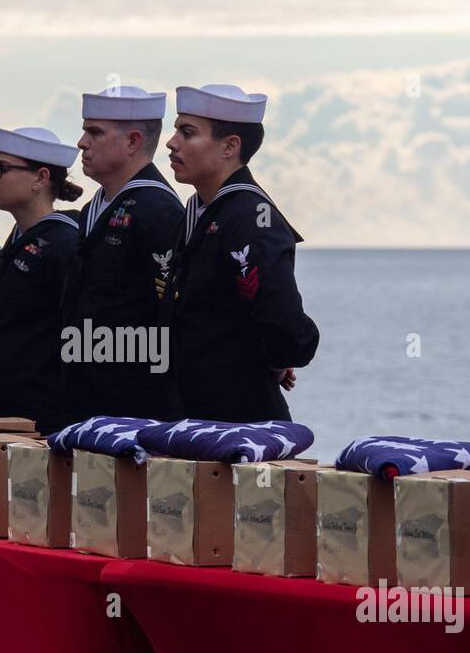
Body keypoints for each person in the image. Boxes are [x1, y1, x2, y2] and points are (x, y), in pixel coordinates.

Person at [161, 83, 319, 422]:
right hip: (192, 415)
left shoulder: (251, 216)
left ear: (230, 147)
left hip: (239, 423)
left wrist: (276, 357)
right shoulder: (200, 211)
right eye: (176, 131)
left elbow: (287, 331)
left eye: (187, 133)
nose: (171, 143)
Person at [65, 85, 184, 423]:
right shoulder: (94, 208)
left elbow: (171, 313)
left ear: (132, 141)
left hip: (134, 403)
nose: (81, 142)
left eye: (94, 132)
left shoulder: (157, 209)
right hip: (87, 393)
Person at [0, 126, 81, 432]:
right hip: (7, 419)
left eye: (1, 169)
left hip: (42, 423)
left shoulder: (64, 243)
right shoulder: (19, 239)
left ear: (41, 178)